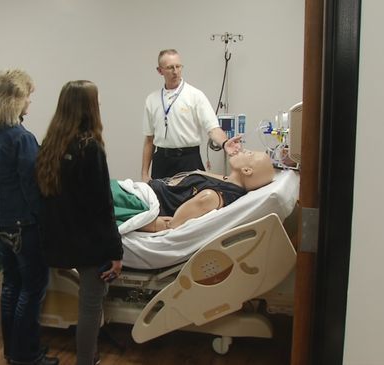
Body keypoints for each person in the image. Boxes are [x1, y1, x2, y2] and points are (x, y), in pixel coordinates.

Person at [36, 80, 123, 365]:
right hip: (88, 244)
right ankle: (87, 360)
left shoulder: (49, 146)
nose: (99, 105)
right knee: (90, 307)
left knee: (89, 304)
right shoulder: (90, 148)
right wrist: (115, 253)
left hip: (57, 239)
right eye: (96, 101)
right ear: (88, 108)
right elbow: (103, 208)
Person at [0, 69, 58, 365]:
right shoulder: (21, 138)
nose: (30, 102)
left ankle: (12, 352)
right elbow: (33, 188)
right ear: (15, 100)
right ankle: (27, 356)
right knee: (32, 286)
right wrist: (46, 221)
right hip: (22, 225)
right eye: (28, 96)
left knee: (11, 285)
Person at [141, 48, 243, 181]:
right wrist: (144, 173)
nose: (175, 71)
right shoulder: (152, 99)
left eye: (178, 66)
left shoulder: (195, 95)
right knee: (160, 200)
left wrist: (224, 143)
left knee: (193, 199)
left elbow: (212, 128)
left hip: (188, 160)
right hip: (161, 162)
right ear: (160, 71)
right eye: (170, 67)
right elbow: (149, 140)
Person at [135, 149, 275, 232]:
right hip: (143, 192)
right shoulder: (228, 181)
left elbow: (172, 224)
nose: (244, 150)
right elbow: (198, 172)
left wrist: (129, 225)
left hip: (141, 202)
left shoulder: (212, 197)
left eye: (249, 154)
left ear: (246, 170)